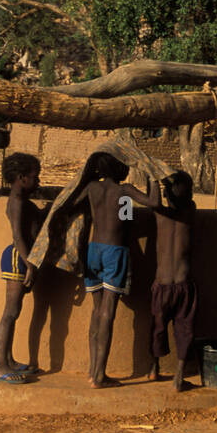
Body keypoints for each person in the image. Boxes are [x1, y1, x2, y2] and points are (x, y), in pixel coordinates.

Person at [62, 152, 158, 388]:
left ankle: (92, 370)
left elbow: (70, 205)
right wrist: (153, 176)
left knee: (96, 312)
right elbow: (154, 203)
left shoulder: (93, 188)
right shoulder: (124, 191)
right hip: (115, 252)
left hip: (94, 250)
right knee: (108, 312)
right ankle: (100, 376)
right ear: (119, 169)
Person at [144, 171, 198, 391]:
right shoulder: (191, 213)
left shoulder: (160, 215)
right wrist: (172, 185)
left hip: (162, 285)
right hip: (184, 285)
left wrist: (154, 179)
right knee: (184, 328)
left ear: (167, 196)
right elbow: (188, 198)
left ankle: (153, 369)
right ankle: (178, 377)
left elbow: (153, 200)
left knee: (158, 327)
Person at [0, 153, 43, 384]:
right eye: (35, 177)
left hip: (22, 257)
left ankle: (9, 360)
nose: (39, 181)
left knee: (15, 312)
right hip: (18, 257)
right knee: (10, 312)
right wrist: (30, 264)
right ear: (22, 177)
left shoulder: (21, 200)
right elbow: (18, 235)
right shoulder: (16, 202)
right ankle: (0, 365)